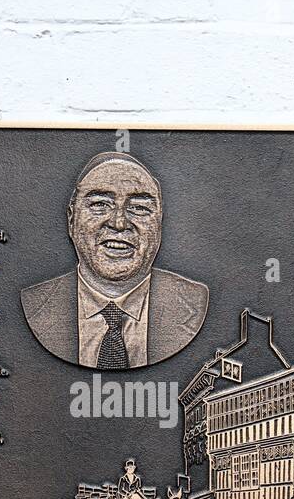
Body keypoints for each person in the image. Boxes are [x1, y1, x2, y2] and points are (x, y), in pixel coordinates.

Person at [20, 151, 209, 369]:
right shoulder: (34, 305)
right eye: (100, 204)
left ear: (159, 222)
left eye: (139, 208)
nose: (119, 223)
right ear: (72, 219)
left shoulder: (197, 301)